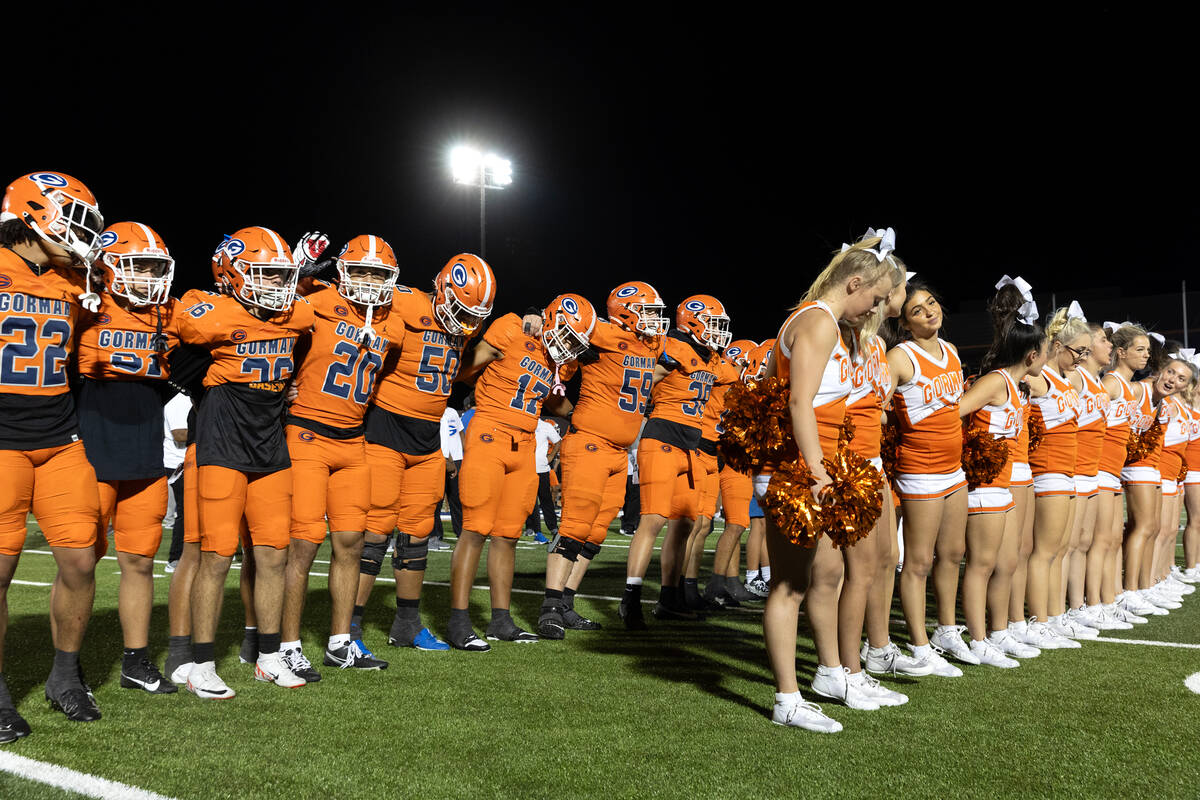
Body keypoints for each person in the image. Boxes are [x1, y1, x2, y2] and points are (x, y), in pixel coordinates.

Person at [761, 233, 896, 732]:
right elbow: (800, 405)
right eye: (875, 298)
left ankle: (829, 673)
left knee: (828, 578)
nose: (876, 308)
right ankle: (786, 699)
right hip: (804, 469)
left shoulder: (825, 321)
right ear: (854, 283)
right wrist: (818, 473)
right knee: (790, 586)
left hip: (823, 465)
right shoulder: (817, 322)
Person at [177, 226, 314, 698]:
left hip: (270, 443)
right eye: (265, 275)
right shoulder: (210, 312)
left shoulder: (295, 314)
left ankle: (269, 656)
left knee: (274, 554)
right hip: (223, 440)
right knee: (216, 556)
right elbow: (178, 345)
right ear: (231, 275)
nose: (276, 286)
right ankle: (200, 663)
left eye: (280, 276)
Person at [0, 171, 105, 738]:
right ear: (33, 213)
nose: (81, 233)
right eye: (74, 217)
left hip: (60, 436)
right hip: (0, 441)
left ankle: (65, 676)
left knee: (81, 561)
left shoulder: (73, 280)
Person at [351, 254, 496, 655]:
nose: (465, 322)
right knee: (375, 533)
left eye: (474, 315)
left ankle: (407, 625)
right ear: (442, 289)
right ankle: (350, 627)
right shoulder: (403, 301)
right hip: (386, 426)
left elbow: (465, 363)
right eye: (462, 310)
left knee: (416, 537)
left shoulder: (466, 326)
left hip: (428, 437)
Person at [277, 234, 400, 682]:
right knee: (303, 545)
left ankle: (339, 642)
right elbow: (271, 319)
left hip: (353, 441)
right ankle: (286, 646)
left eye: (379, 273)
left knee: (351, 543)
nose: (369, 281)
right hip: (307, 433)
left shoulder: (394, 322)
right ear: (343, 271)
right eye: (361, 270)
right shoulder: (315, 302)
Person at [448, 294, 590, 650]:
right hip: (489, 433)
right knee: (476, 529)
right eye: (568, 335)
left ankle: (500, 620)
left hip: (526, 444)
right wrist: (481, 344)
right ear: (550, 319)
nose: (569, 346)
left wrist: (585, 416)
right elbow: (464, 371)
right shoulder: (511, 327)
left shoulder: (563, 362)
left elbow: (552, 401)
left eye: (577, 342)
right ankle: (459, 620)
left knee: (508, 535)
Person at [76, 221, 181, 694]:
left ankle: (136, 663)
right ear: (107, 265)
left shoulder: (170, 313)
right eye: (140, 266)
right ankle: (68, 663)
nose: (149, 277)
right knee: (79, 563)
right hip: (91, 446)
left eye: (156, 267)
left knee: (139, 561)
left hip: (146, 450)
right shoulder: (81, 305)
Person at [537, 281, 666, 638]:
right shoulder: (601, 334)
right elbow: (561, 334)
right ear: (626, 312)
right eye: (650, 311)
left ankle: (565, 602)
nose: (656, 319)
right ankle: (548, 607)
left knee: (594, 535)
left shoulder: (652, 343)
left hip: (619, 452)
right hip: (590, 442)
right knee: (575, 526)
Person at [620, 295, 730, 628]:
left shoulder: (710, 358)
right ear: (694, 322)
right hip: (662, 437)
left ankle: (669, 598)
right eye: (713, 323)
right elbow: (641, 377)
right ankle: (631, 600)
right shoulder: (675, 348)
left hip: (691, 446)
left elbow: (738, 378)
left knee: (684, 524)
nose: (718, 332)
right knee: (652, 520)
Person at [955, 278, 1046, 667]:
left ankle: (998, 632)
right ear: (1030, 354)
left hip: (1004, 485)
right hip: (983, 485)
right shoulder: (994, 382)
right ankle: (977, 639)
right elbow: (952, 413)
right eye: (1042, 352)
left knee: (1006, 563)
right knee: (981, 565)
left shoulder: (1015, 383)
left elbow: (1040, 387)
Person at [887, 277, 971, 674]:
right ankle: (920, 645)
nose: (929, 311)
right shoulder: (901, 357)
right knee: (918, 561)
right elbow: (879, 404)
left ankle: (947, 631)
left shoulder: (951, 350)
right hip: (919, 471)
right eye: (917, 310)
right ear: (906, 323)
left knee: (953, 554)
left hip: (954, 470)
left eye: (932, 303)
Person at [1020, 304, 1088, 649]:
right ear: (1058, 345)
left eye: (1087, 352)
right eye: (1079, 351)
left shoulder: (1065, 380)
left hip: (1067, 473)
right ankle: (1038, 620)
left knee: (1059, 551)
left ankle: (1053, 615)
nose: (1082, 358)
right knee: (1043, 552)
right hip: (1046, 472)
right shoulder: (1038, 377)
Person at [163, 392, 191, 571]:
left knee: (190, 511)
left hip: (187, 459)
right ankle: (176, 557)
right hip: (178, 463)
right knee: (185, 511)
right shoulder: (178, 400)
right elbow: (179, 434)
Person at [524, 416, 562, 543]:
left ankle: (553, 528)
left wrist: (551, 456)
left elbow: (558, 441)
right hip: (525, 468)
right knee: (529, 501)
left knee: (546, 500)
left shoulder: (545, 426)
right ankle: (531, 527)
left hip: (542, 469)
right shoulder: (524, 423)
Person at [432, 403, 465, 550]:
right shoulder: (432, 410)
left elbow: (461, 432)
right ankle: (436, 536)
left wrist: (466, 452)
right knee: (437, 500)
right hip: (441, 459)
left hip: (456, 459)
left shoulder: (451, 412)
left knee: (456, 499)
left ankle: (461, 533)